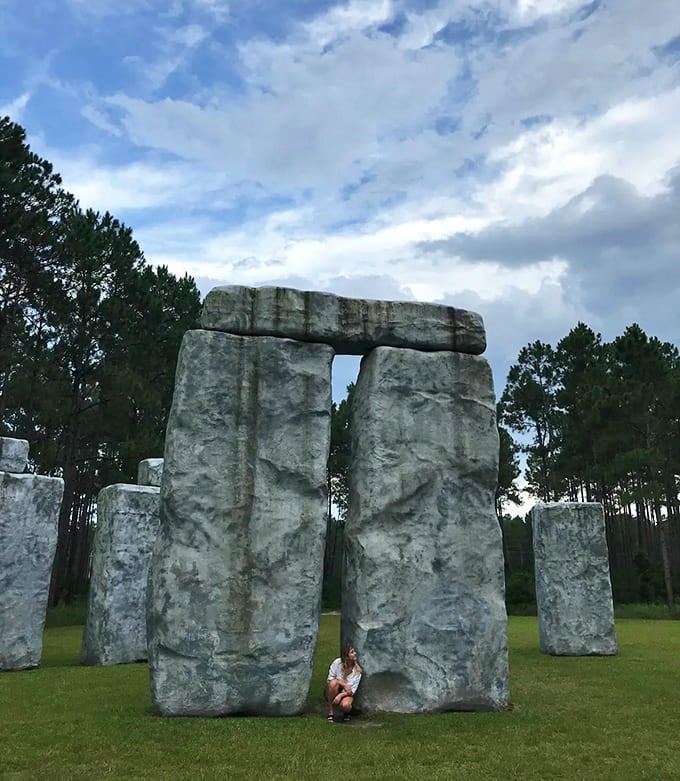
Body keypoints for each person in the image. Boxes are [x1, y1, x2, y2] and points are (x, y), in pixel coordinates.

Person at [325, 645, 362, 722]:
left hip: (347, 693)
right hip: (334, 689)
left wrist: (340, 695)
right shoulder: (337, 663)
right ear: (346, 656)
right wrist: (344, 684)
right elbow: (330, 679)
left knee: (345, 705)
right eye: (352, 652)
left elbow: (352, 691)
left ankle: (346, 712)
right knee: (333, 683)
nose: (355, 653)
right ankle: (330, 712)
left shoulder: (357, 671)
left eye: (354, 651)